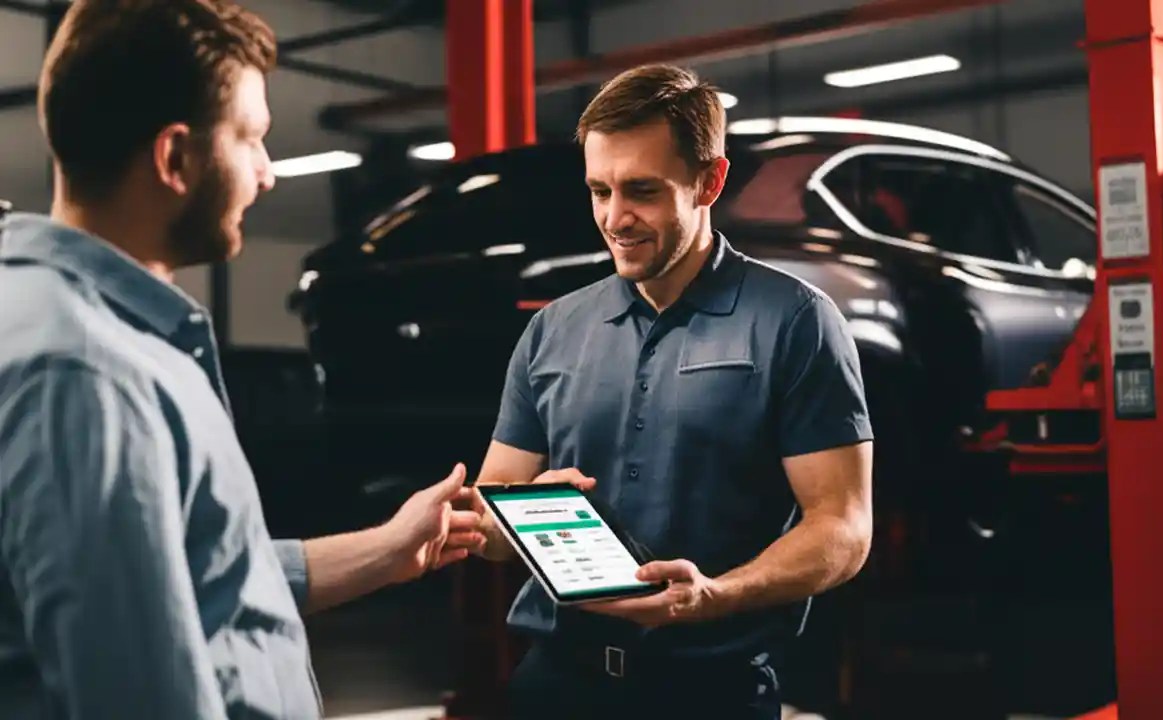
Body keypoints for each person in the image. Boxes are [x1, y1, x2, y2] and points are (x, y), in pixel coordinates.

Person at [0, 1, 485, 718]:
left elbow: (212, 575)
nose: (267, 174)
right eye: (251, 139)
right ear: (175, 158)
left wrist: (387, 548)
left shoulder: (99, 331)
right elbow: (139, 698)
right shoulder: (87, 372)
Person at [471, 63, 875, 719]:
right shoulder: (553, 329)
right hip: (554, 686)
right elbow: (485, 519)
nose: (614, 218)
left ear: (710, 180)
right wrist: (519, 517)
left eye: (642, 191)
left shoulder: (794, 322)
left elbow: (844, 527)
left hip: (711, 695)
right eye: (599, 191)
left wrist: (717, 594)